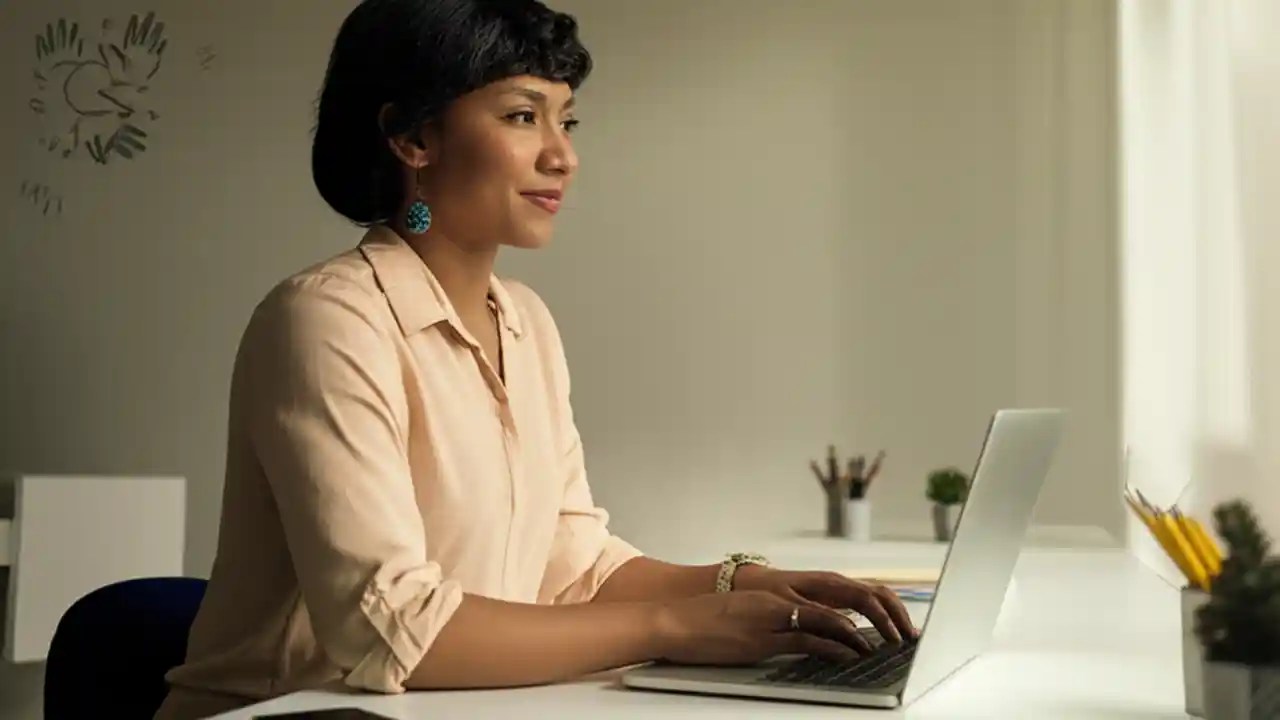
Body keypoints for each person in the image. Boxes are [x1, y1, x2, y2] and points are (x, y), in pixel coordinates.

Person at [154, 1, 916, 717]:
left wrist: (746, 582)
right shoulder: (326, 320)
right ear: (413, 138)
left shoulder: (525, 322)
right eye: (524, 116)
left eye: (568, 120)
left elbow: (574, 566)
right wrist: (676, 628)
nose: (564, 156)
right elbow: (391, 629)